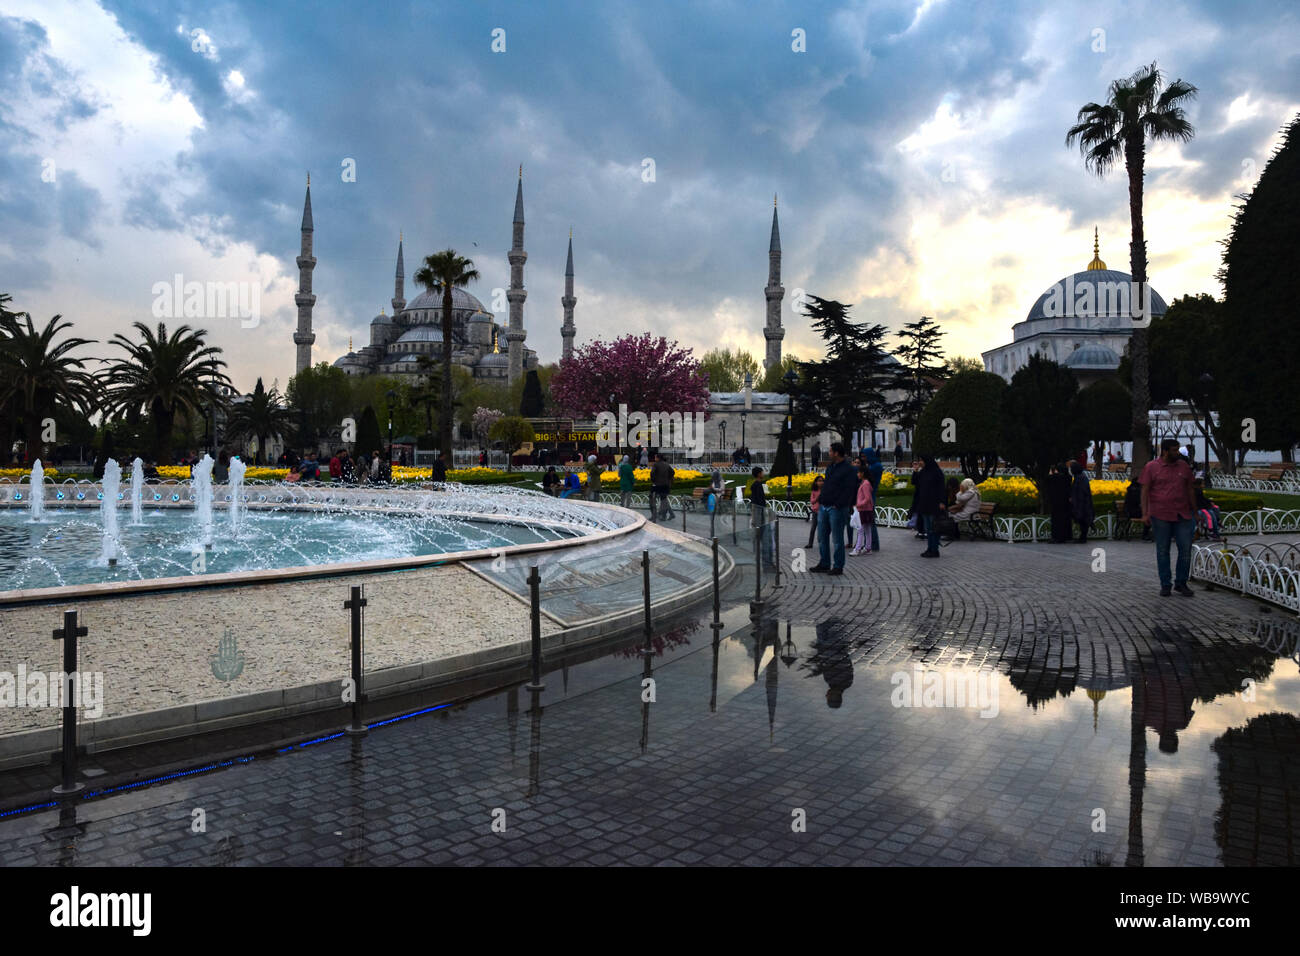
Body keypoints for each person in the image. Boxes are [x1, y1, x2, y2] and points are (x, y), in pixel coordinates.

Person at [1141, 438, 1198, 597]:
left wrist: (1196, 511)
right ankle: (1165, 584)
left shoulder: (1184, 466)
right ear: (1165, 451)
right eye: (1174, 450)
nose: (1177, 453)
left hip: (1183, 513)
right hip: (1161, 514)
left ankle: (1181, 582)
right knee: (1162, 550)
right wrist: (1145, 513)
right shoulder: (1152, 467)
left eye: (1177, 449)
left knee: (1185, 549)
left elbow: (1190, 489)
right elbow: (1145, 491)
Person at [811, 442, 856, 576]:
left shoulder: (848, 469)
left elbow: (849, 489)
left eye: (830, 451)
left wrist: (839, 504)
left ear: (836, 453)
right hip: (824, 506)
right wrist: (821, 499)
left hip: (836, 508)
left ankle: (838, 566)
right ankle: (824, 563)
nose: (829, 453)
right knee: (821, 537)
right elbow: (827, 485)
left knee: (837, 539)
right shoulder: (831, 467)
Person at [913, 455, 946, 557]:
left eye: (922, 460)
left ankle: (934, 549)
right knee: (928, 529)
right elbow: (915, 482)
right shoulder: (923, 472)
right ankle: (929, 548)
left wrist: (942, 502)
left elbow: (941, 488)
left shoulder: (937, 472)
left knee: (934, 528)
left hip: (934, 504)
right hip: (924, 504)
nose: (920, 462)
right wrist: (915, 471)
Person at [749, 466, 774, 569]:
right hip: (759, 512)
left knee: (760, 533)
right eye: (762, 472)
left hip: (759, 512)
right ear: (759, 474)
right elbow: (759, 500)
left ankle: (759, 556)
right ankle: (762, 559)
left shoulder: (757, 484)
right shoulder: (757, 485)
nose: (763, 473)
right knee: (761, 533)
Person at [850, 465, 875, 556]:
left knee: (860, 530)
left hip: (864, 509)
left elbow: (867, 498)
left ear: (862, 473)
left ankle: (858, 549)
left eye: (858, 472)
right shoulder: (865, 483)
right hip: (867, 509)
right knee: (867, 529)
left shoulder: (865, 484)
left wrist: (858, 505)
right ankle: (868, 548)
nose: (857, 474)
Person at [863, 448, 884, 552]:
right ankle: (868, 543)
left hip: (870, 495)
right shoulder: (872, 465)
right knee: (866, 520)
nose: (864, 459)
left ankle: (873, 544)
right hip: (868, 494)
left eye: (865, 456)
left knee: (870, 521)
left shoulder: (875, 466)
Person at [1047, 463, 1072, 543]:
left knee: (1057, 521)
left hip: (1057, 503)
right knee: (1065, 520)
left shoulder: (1055, 478)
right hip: (1066, 503)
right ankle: (1066, 536)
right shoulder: (1068, 478)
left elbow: (1049, 478)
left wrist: (1051, 472)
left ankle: (1057, 537)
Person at [1070, 460, 1094, 543]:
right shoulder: (1080, 477)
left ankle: (1083, 537)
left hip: (1082, 502)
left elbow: (1081, 491)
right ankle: (1082, 537)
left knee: (1083, 519)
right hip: (1081, 501)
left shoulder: (1080, 478)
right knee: (1082, 519)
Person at [650, 452, 674, 521]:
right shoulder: (667, 464)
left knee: (652, 499)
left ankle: (655, 516)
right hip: (665, 485)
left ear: (658, 458)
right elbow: (672, 472)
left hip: (657, 485)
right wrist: (667, 478)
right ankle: (668, 515)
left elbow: (652, 473)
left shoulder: (656, 464)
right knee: (664, 499)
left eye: (655, 457)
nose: (654, 459)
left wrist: (654, 481)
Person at [805, 474, 824, 549]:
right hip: (815, 511)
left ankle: (822, 542)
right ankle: (810, 543)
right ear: (816, 482)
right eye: (819, 481)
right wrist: (817, 498)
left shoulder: (825, 490)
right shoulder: (814, 491)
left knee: (822, 528)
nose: (821, 482)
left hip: (823, 512)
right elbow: (812, 501)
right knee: (813, 528)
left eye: (822, 481)